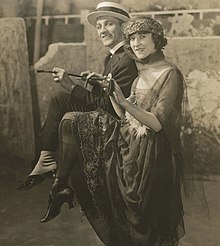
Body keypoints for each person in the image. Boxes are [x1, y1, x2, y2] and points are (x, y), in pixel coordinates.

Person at [40, 16, 189, 246]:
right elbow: (122, 115)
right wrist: (116, 96)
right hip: (128, 148)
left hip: (153, 154)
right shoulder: (141, 71)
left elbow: (157, 124)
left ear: (157, 40)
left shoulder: (171, 74)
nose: (137, 43)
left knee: (146, 216)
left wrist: (121, 102)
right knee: (129, 213)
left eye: (143, 37)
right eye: (133, 39)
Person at [17, 1, 138, 191]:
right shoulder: (113, 57)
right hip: (109, 111)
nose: (102, 31)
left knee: (61, 97)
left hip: (117, 122)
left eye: (109, 24)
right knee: (59, 98)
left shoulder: (126, 61)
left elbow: (110, 106)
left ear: (123, 28)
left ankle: (47, 161)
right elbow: (109, 93)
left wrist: (72, 87)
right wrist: (97, 83)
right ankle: (46, 159)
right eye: (99, 26)